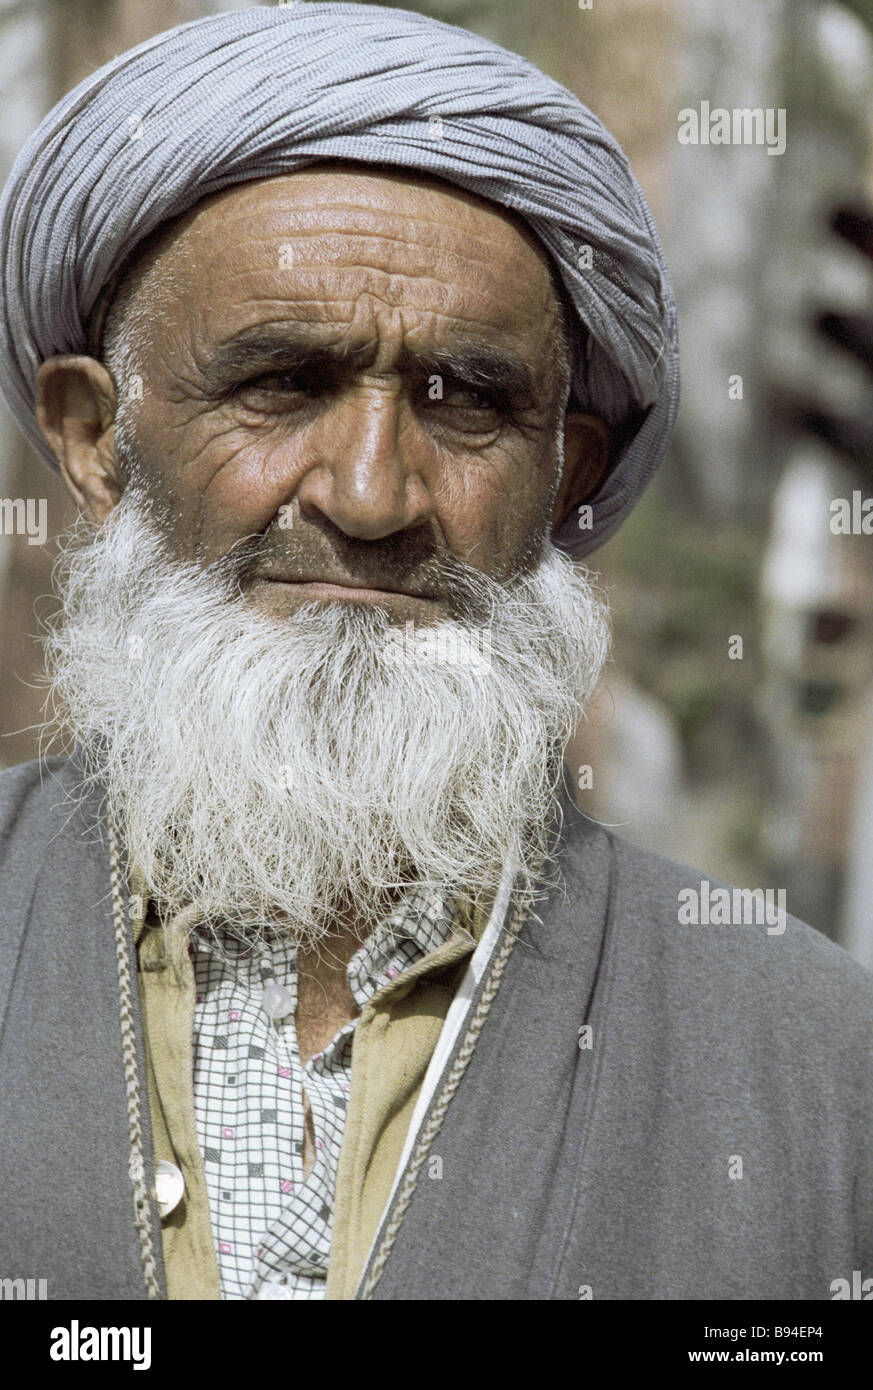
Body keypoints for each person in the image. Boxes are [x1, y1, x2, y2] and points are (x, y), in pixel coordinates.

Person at [0, 4, 869, 1303]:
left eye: (466, 400)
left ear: (564, 472)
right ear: (92, 438)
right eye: (282, 383)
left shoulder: (813, 1060)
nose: (369, 494)